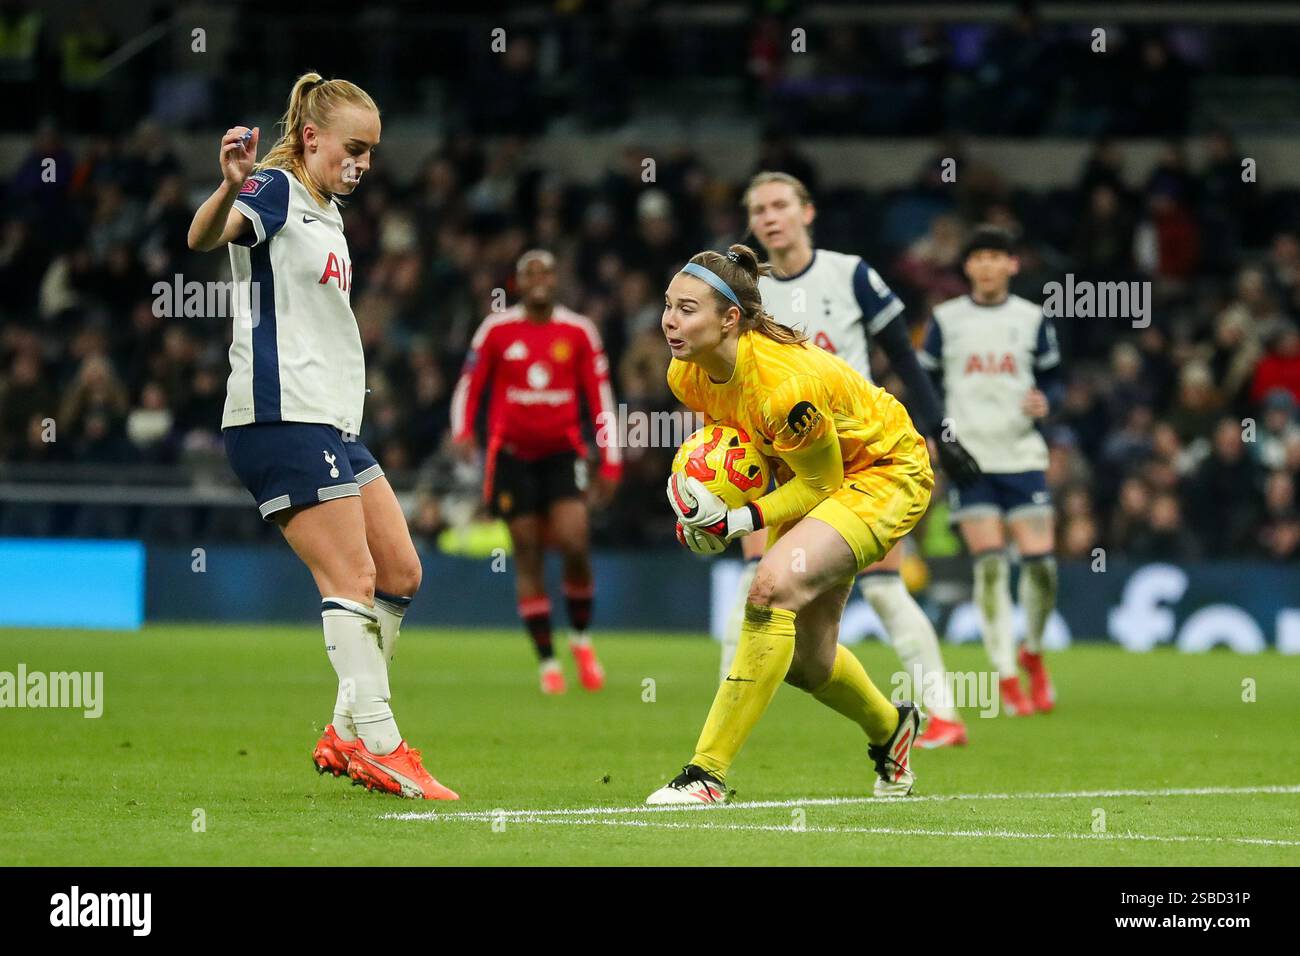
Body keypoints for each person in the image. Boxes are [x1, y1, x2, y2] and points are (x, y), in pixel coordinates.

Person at [187, 72, 457, 800]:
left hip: (333, 422)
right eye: (354, 147)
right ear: (311, 139)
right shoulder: (274, 190)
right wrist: (232, 184)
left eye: (371, 152)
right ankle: (382, 742)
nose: (363, 163)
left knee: (401, 573)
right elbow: (206, 235)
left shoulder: (327, 209)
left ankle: (344, 733)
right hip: (280, 418)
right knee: (353, 580)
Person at [648, 245, 931, 804]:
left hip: (882, 473)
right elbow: (735, 448)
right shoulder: (687, 373)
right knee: (809, 662)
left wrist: (738, 517)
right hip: (811, 472)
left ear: (729, 319)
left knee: (770, 589)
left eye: (686, 309)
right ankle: (891, 727)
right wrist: (700, 498)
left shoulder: (785, 387)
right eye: (668, 306)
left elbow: (823, 488)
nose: (669, 321)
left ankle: (706, 774)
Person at [733, 171, 982, 748]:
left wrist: (940, 430)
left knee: (886, 587)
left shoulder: (850, 274)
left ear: (807, 212)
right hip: (781, 466)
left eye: (780, 205)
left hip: (858, 463)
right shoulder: (746, 294)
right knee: (757, 584)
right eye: (759, 209)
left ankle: (942, 714)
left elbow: (903, 355)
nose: (770, 217)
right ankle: (744, 703)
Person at [451, 250, 621, 693]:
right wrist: (463, 430)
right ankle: (548, 662)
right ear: (519, 283)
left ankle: (581, 640)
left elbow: (599, 397)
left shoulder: (579, 331)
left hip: (563, 455)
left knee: (574, 541)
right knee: (526, 552)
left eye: (546, 271)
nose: (539, 279)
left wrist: (611, 459)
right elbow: (471, 384)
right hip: (511, 457)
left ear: (557, 279)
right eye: (530, 273)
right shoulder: (497, 330)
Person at [920, 225, 1062, 715]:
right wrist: (937, 438)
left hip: (1022, 455)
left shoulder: (1032, 319)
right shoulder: (945, 320)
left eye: (995, 256)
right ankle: (1005, 676)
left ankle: (1034, 652)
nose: (985, 265)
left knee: (1041, 564)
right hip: (970, 460)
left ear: (1012, 265)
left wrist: (1049, 402)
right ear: (967, 267)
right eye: (977, 257)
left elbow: (1054, 382)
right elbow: (926, 384)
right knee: (992, 563)